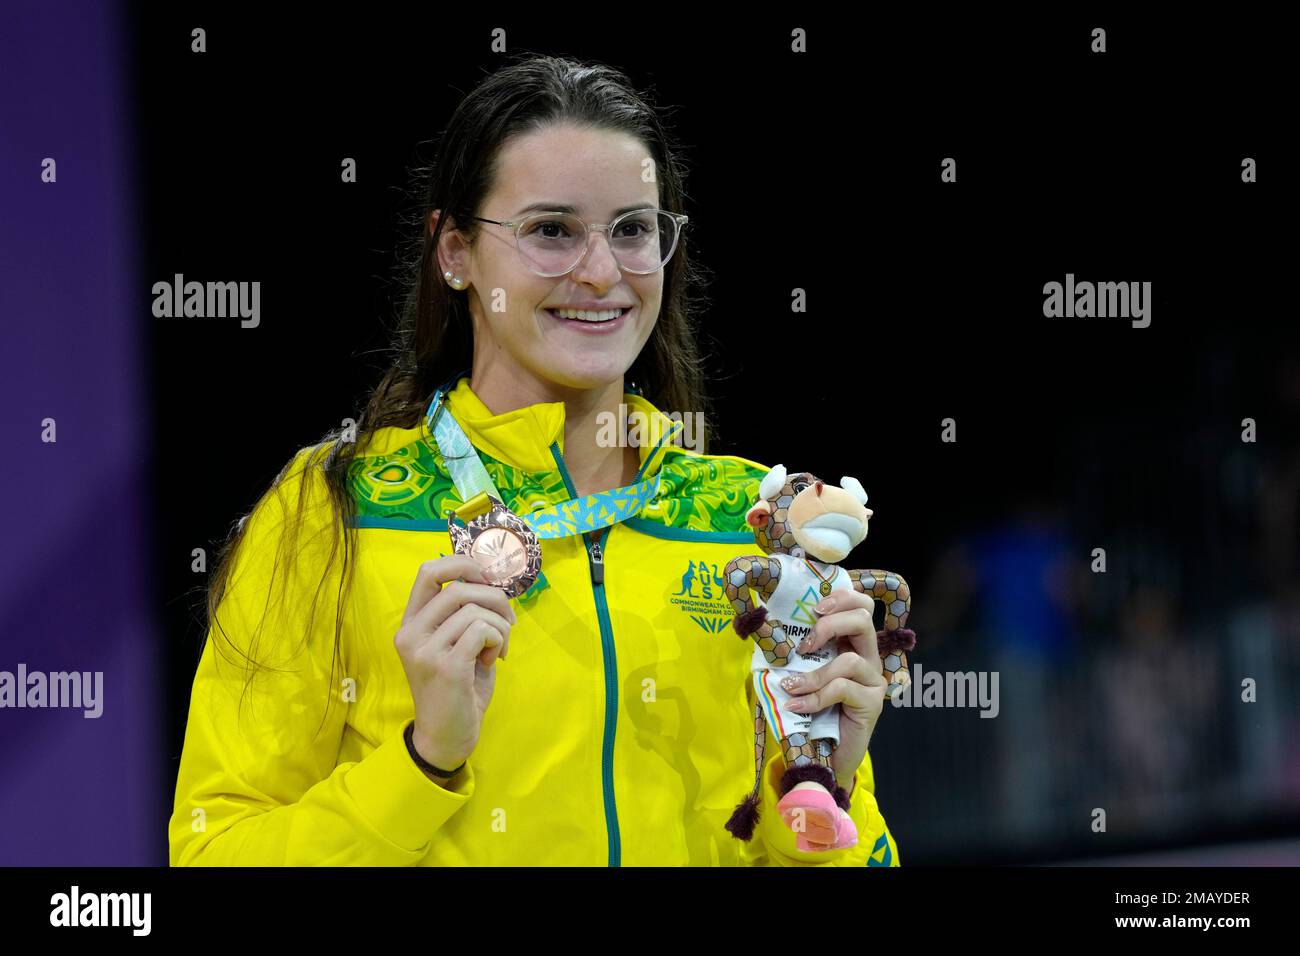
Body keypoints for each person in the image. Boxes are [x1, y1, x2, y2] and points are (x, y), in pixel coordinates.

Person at [167, 53, 902, 867]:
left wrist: (825, 793)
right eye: (552, 231)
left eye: (633, 230)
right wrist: (422, 764)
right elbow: (214, 851)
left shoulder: (752, 523)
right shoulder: (335, 510)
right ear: (455, 252)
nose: (601, 272)